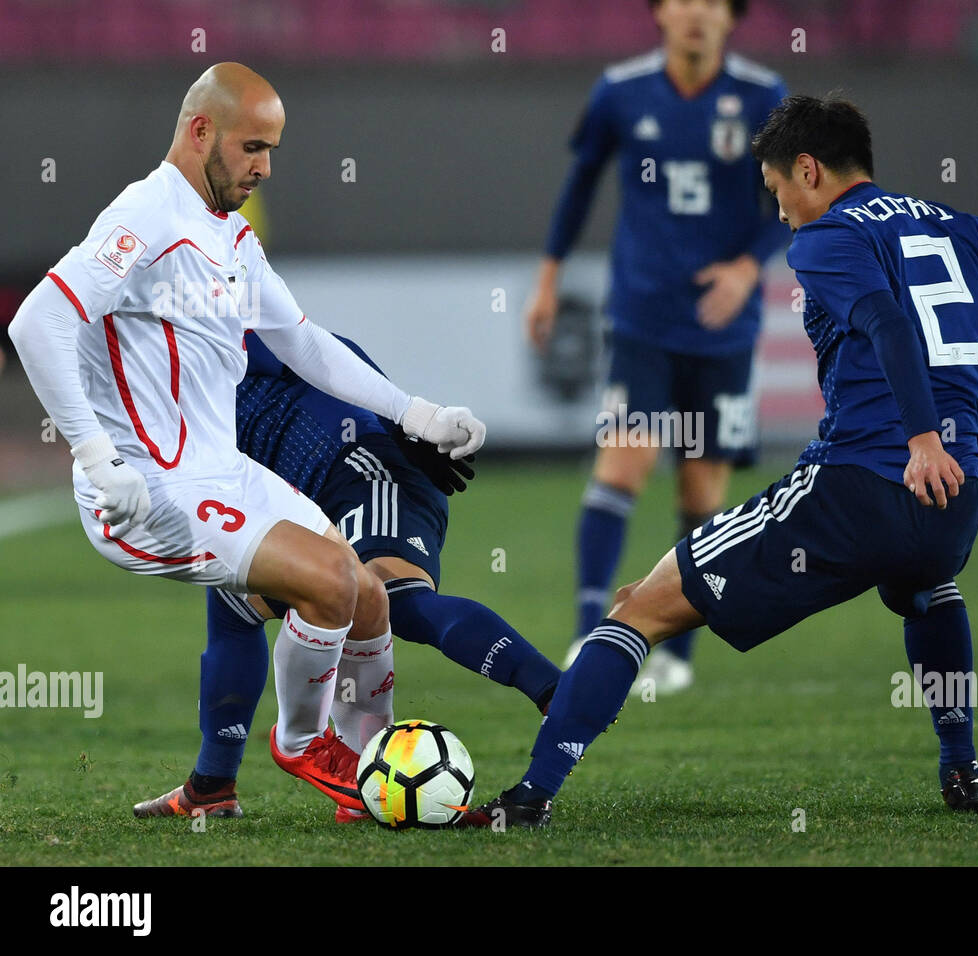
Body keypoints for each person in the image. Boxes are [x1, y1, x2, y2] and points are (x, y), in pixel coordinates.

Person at [464, 94, 978, 828]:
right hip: (956, 499)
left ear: (810, 170)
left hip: (863, 484)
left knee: (638, 607)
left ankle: (530, 799)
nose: (778, 209)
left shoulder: (824, 238)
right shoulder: (962, 227)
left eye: (776, 187)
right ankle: (962, 771)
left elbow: (888, 326)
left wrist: (919, 437)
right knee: (926, 583)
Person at [6, 62, 485, 816]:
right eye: (253, 147)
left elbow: (299, 340)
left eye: (274, 151)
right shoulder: (146, 215)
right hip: (145, 489)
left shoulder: (230, 234)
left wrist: (414, 412)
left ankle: (370, 779)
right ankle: (301, 742)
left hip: (217, 471)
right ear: (201, 132)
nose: (265, 167)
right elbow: (37, 322)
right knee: (329, 581)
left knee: (365, 595)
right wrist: (98, 458)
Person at [131, 332, 561, 821]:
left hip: (360, 471)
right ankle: (213, 787)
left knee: (390, 598)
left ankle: (557, 694)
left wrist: (403, 427)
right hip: (303, 501)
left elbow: (316, 347)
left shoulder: (193, 323)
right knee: (234, 605)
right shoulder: (146, 355)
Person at [523, 0, 789, 693]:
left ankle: (675, 656)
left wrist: (747, 266)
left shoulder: (764, 98)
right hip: (642, 317)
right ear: (659, 13)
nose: (696, 14)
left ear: (733, 17)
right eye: (682, 0)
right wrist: (547, 277)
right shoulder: (620, 90)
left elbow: (793, 201)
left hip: (724, 330)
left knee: (702, 489)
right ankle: (590, 633)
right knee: (623, 465)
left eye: (712, 3)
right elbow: (579, 184)